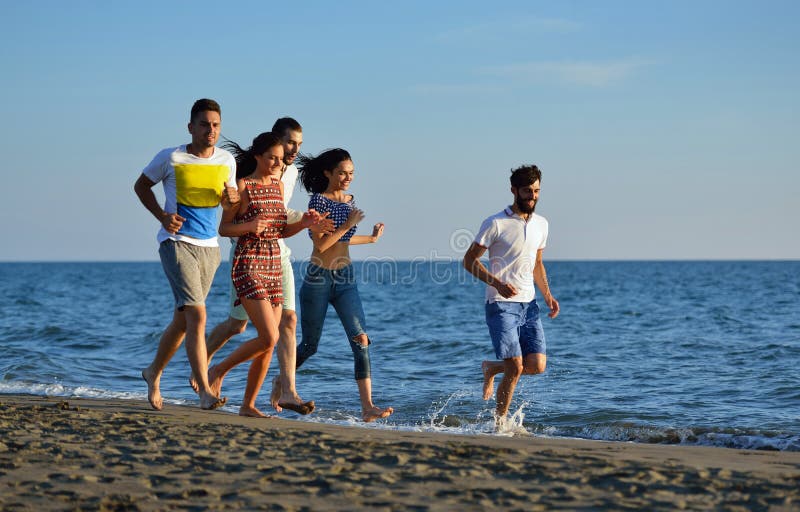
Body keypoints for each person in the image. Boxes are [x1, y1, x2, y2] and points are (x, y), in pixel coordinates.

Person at [201, 118, 330, 415]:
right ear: (259, 156)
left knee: (269, 341)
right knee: (265, 334)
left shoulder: (278, 184)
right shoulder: (243, 185)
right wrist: (249, 224)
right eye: (272, 156)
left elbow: (280, 229)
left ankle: (248, 404)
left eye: (280, 157)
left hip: (275, 261)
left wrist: (305, 224)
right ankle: (216, 370)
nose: (278, 161)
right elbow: (225, 228)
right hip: (248, 262)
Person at [134, 98, 237, 410]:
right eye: (204, 124)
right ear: (191, 127)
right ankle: (205, 390)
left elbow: (229, 206)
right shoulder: (172, 157)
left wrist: (231, 200)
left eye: (216, 125)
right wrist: (162, 217)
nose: (211, 130)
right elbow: (141, 186)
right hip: (176, 243)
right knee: (198, 314)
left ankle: (153, 373)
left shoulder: (226, 160)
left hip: (210, 250)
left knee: (183, 321)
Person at [294, 148, 394, 422]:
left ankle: (367, 407)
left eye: (351, 173)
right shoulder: (318, 203)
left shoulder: (349, 201)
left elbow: (343, 240)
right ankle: (283, 383)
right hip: (318, 279)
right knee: (309, 347)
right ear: (328, 173)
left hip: (346, 278)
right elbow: (322, 243)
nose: (348, 177)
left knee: (360, 339)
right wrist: (348, 223)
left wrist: (371, 239)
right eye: (342, 173)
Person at [462, 164, 560, 424]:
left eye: (537, 191)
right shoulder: (495, 223)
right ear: (514, 190)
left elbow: (537, 263)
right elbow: (469, 261)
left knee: (537, 366)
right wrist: (497, 283)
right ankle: (500, 424)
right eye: (528, 191)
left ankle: (492, 368)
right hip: (500, 304)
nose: (533, 196)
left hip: (529, 305)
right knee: (515, 367)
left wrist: (548, 296)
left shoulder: (542, 224)